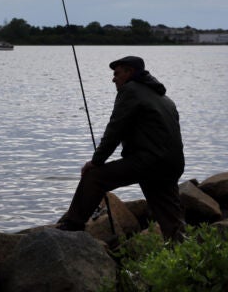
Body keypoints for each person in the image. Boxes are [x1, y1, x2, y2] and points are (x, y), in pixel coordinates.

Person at [57, 56, 186, 240]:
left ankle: (73, 225)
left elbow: (114, 130)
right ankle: (183, 252)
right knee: (171, 216)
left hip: (150, 161)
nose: (113, 79)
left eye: (117, 73)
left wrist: (96, 162)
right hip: (172, 164)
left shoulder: (130, 90)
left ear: (130, 72)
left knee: (94, 177)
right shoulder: (164, 98)